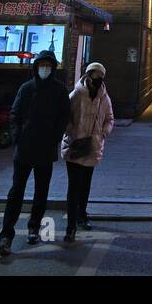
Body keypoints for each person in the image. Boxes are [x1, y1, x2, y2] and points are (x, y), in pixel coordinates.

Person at [0, 50, 70, 256]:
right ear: (36, 67)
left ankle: (34, 228)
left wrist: (55, 137)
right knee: (16, 192)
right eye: (41, 65)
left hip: (45, 149)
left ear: (53, 68)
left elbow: (64, 115)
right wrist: (16, 136)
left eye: (48, 65)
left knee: (41, 191)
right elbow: (15, 113)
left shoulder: (59, 90)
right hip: (25, 148)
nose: (44, 68)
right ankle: (6, 236)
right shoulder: (27, 88)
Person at [61, 61, 113, 243]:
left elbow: (110, 118)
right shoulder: (76, 95)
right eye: (94, 74)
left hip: (92, 147)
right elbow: (65, 115)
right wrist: (71, 131)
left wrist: (104, 133)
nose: (96, 78)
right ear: (87, 74)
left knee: (85, 185)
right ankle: (71, 226)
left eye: (100, 75)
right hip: (75, 146)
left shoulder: (104, 97)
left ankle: (82, 215)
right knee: (74, 186)